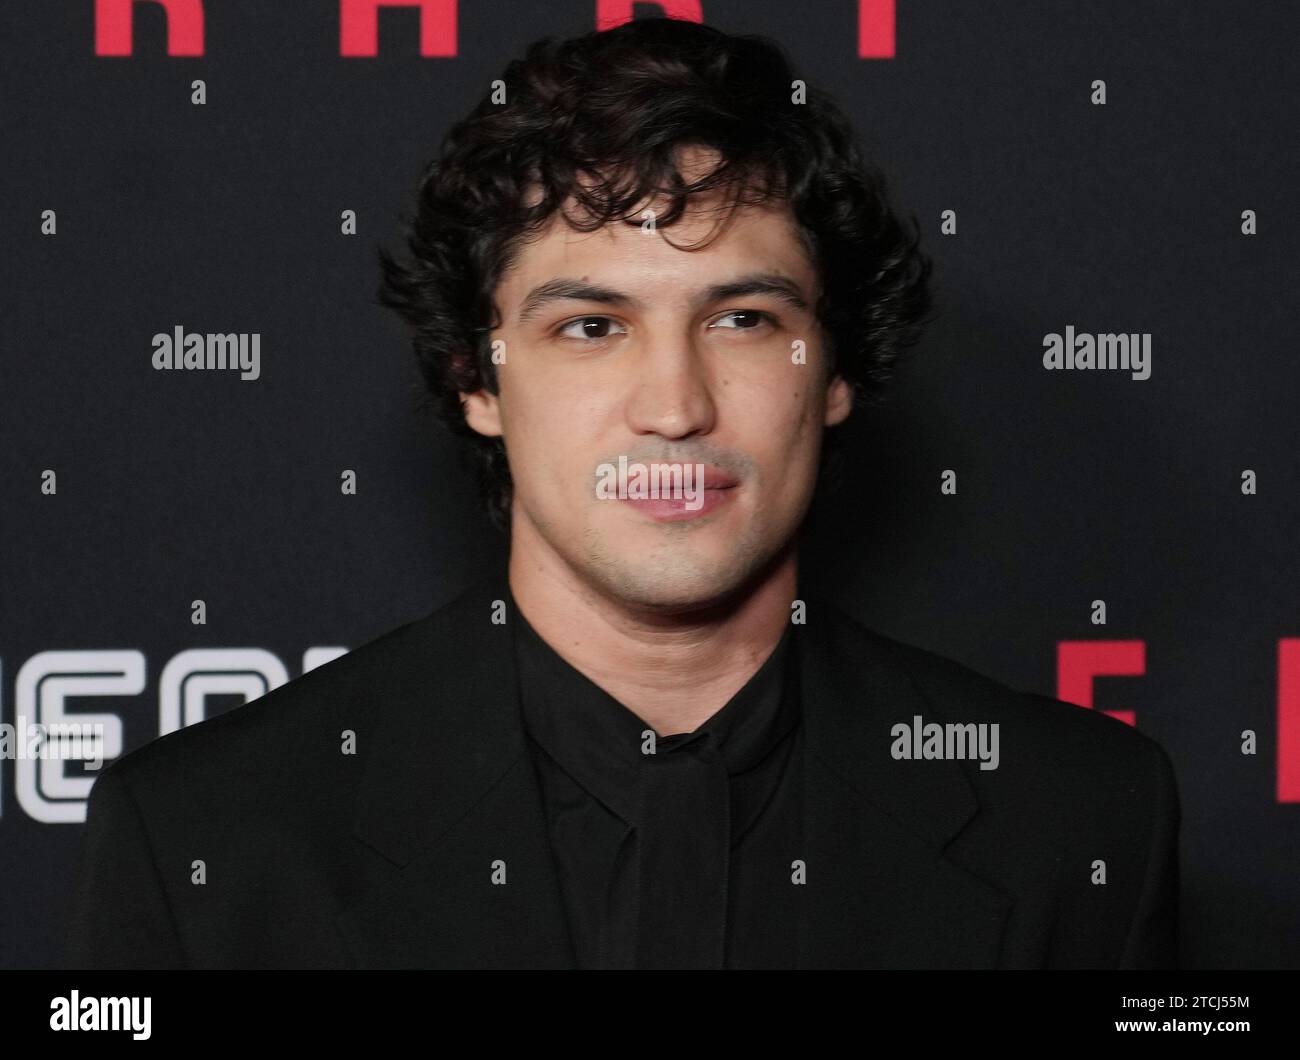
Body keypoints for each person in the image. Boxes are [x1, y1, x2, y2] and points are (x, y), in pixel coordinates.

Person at [66, 16, 1178, 969]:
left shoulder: (1077, 820)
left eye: (743, 319)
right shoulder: (206, 836)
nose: (674, 403)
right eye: (590, 327)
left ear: (833, 373)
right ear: (475, 379)